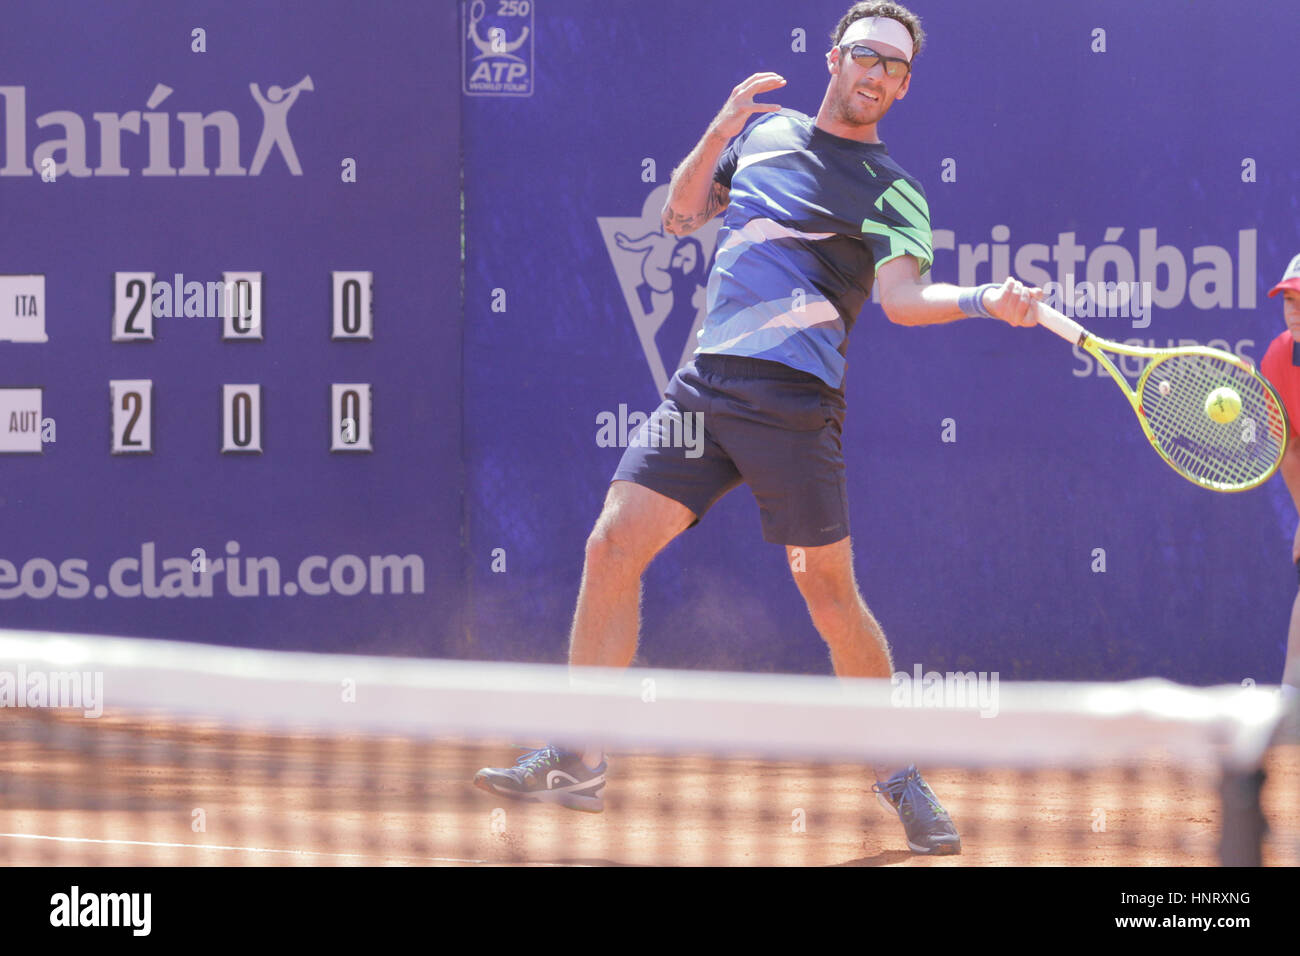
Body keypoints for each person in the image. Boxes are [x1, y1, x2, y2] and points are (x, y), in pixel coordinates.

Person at [474, 1, 1043, 855]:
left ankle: (898, 773)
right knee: (611, 543)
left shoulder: (895, 191)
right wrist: (719, 130)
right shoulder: (761, 140)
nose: (877, 75)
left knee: (829, 595)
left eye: (894, 68)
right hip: (704, 392)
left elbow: (899, 301)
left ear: (904, 87)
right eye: (866, 56)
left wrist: (981, 300)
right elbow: (677, 216)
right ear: (835, 58)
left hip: (796, 407)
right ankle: (579, 757)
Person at [1257, 252, 1300, 697]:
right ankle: (1292, 701)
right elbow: (1289, 448)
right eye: (1289, 299)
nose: (1295, 311)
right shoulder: (1280, 357)